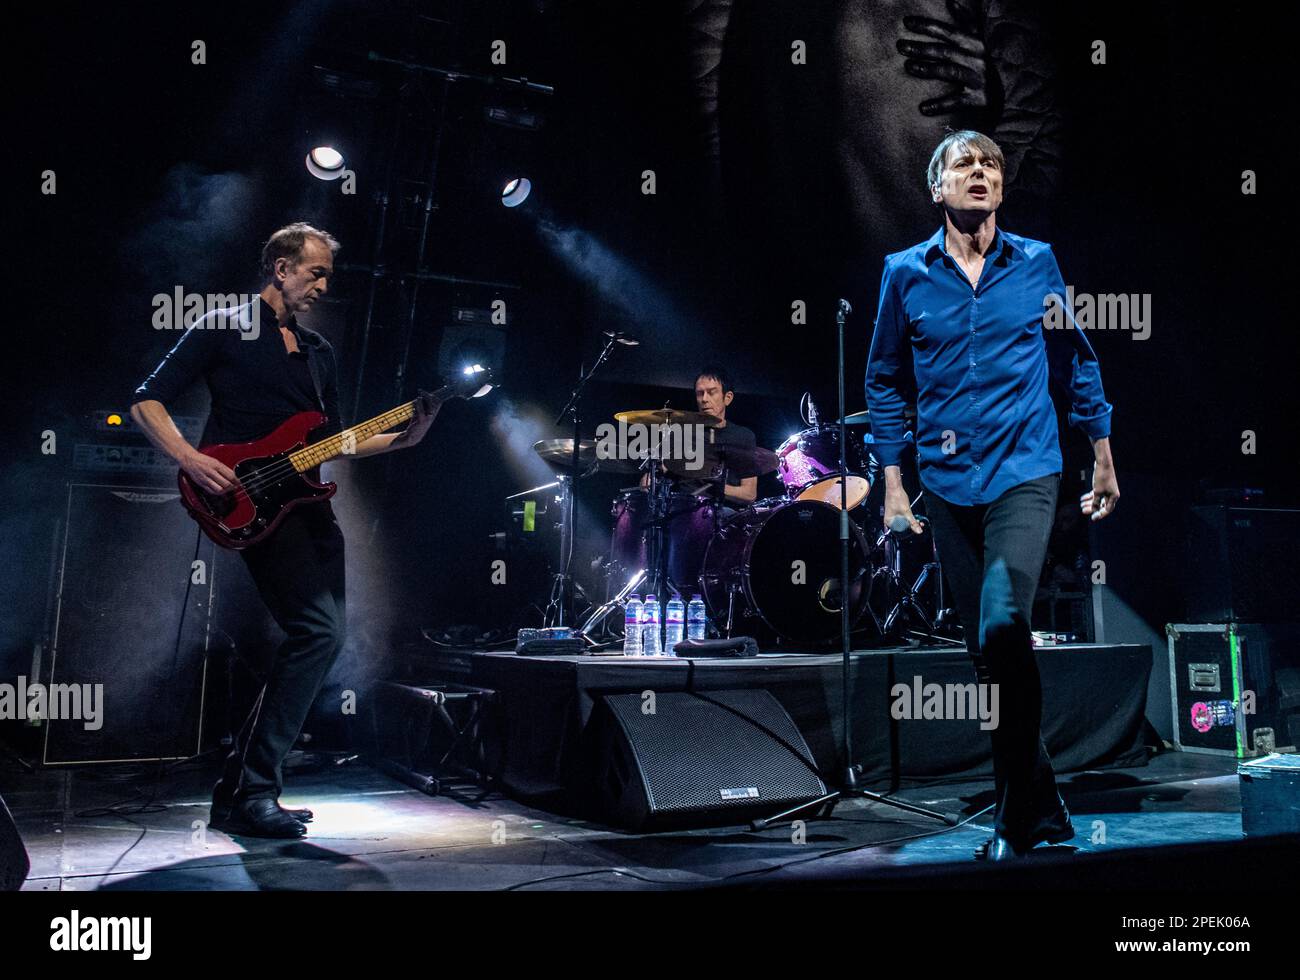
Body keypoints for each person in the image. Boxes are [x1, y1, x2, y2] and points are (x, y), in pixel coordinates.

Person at [130, 223, 438, 838]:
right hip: (250, 501)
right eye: (315, 272)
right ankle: (253, 791)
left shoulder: (319, 352)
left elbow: (336, 442)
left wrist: (406, 437)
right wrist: (190, 458)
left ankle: (239, 791)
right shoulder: (224, 325)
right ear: (281, 267)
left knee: (324, 638)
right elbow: (146, 400)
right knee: (317, 631)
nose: (323, 285)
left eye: (327, 276)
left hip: (310, 507)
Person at [864, 131, 1119, 860]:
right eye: (964, 164)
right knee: (984, 649)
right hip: (947, 482)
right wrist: (893, 485)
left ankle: (1012, 822)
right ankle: (1041, 804)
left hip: (1025, 470)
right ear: (936, 187)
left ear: (1002, 187)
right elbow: (883, 380)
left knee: (1005, 625)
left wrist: (1101, 456)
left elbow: (1075, 359)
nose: (980, 173)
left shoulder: (1036, 262)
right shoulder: (904, 273)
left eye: (992, 165)